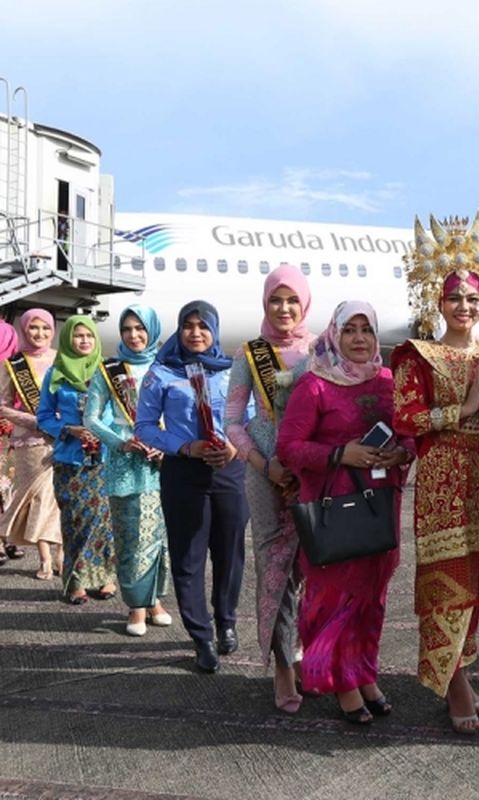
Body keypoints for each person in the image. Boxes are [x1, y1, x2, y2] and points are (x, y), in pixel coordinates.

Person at [392, 212, 479, 733]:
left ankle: (457, 674)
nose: (464, 307)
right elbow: (403, 417)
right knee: (449, 585)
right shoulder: (417, 354)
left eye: (472, 298)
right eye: (453, 298)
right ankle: (456, 683)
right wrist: (460, 413)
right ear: (435, 302)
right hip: (442, 482)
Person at [277, 301, 414, 724]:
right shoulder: (315, 385)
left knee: (371, 597)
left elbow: (411, 435)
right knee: (334, 598)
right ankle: (340, 682)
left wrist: (399, 453)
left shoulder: (390, 381)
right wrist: (341, 453)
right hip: (334, 510)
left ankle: (364, 672)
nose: (358, 338)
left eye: (366, 330)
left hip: (380, 507)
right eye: (349, 329)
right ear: (334, 334)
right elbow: (289, 447)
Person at [135, 301, 249, 674]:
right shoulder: (161, 373)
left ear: (215, 330)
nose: (196, 332)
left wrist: (235, 445)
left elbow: (248, 417)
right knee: (188, 558)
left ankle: (226, 622)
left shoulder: (232, 371)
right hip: (184, 473)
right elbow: (145, 426)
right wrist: (184, 446)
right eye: (188, 325)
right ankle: (201, 637)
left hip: (229, 471)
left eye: (203, 325)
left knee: (230, 553)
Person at [225, 265, 315, 713]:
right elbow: (232, 420)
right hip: (264, 477)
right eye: (276, 300)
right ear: (265, 304)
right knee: (274, 568)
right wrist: (263, 464)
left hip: (312, 478)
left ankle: (307, 654)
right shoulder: (250, 352)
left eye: (292, 300)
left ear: (305, 303)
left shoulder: (320, 350)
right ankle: (282, 664)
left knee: (311, 569)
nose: (284, 308)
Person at [83, 305, 172, 633]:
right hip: (124, 464)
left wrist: (166, 443)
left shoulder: (166, 365)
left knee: (160, 537)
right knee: (130, 537)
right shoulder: (109, 369)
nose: (134, 335)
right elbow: (90, 418)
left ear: (152, 329)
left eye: (140, 328)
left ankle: (155, 600)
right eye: (127, 329)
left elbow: (180, 412)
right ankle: (135, 605)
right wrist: (122, 441)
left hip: (162, 465)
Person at [37, 316, 116, 604]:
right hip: (70, 460)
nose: (84, 341)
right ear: (68, 338)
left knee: (104, 522)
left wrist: (100, 430)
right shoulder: (55, 374)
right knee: (75, 523)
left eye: (89, 336)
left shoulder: (107, 371)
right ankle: (75, 582)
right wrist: (67, 429)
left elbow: (120, 411)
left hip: (105, 459)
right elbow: (44, 417)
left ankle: (105, 578)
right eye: (78, 335)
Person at [0, 310, 62, 578]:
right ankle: (46, 558)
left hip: (63, 439)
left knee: (58, 499)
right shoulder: (14, 364)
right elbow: (2, 406)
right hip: (30, 442)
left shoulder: (62, 358)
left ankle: (60, 555)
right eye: (33, 328)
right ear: (24, 330)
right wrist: (37, 420)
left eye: (45, 329)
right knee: (38, 499)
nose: (39, 334)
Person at [0, 320, 21, 564]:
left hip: (11, 434)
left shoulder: (17, 367)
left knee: (9, 487)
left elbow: (18, 401)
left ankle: (8, 537)